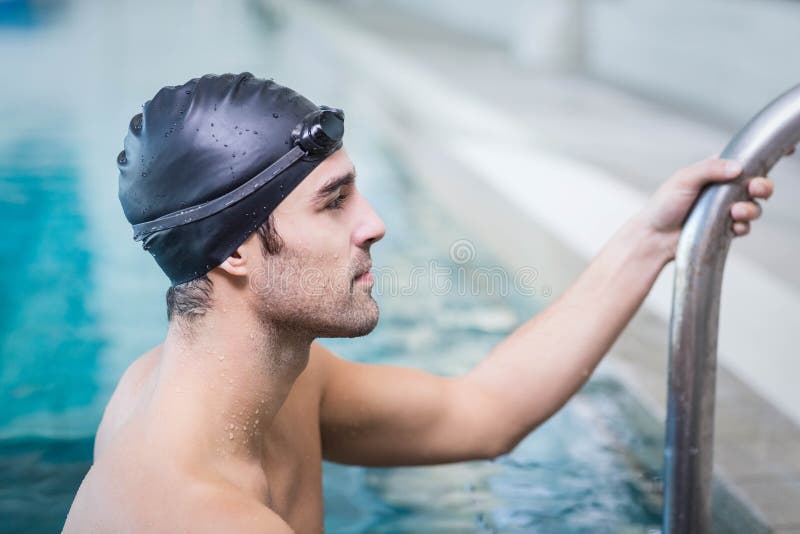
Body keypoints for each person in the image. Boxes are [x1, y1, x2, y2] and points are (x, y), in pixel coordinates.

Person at [63, 72, 774, 533]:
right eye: (334, 202)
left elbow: (482, 413)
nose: (374, 222)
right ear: (232, 253)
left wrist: (651, 239)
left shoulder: (279, 388)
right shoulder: (182, 514)